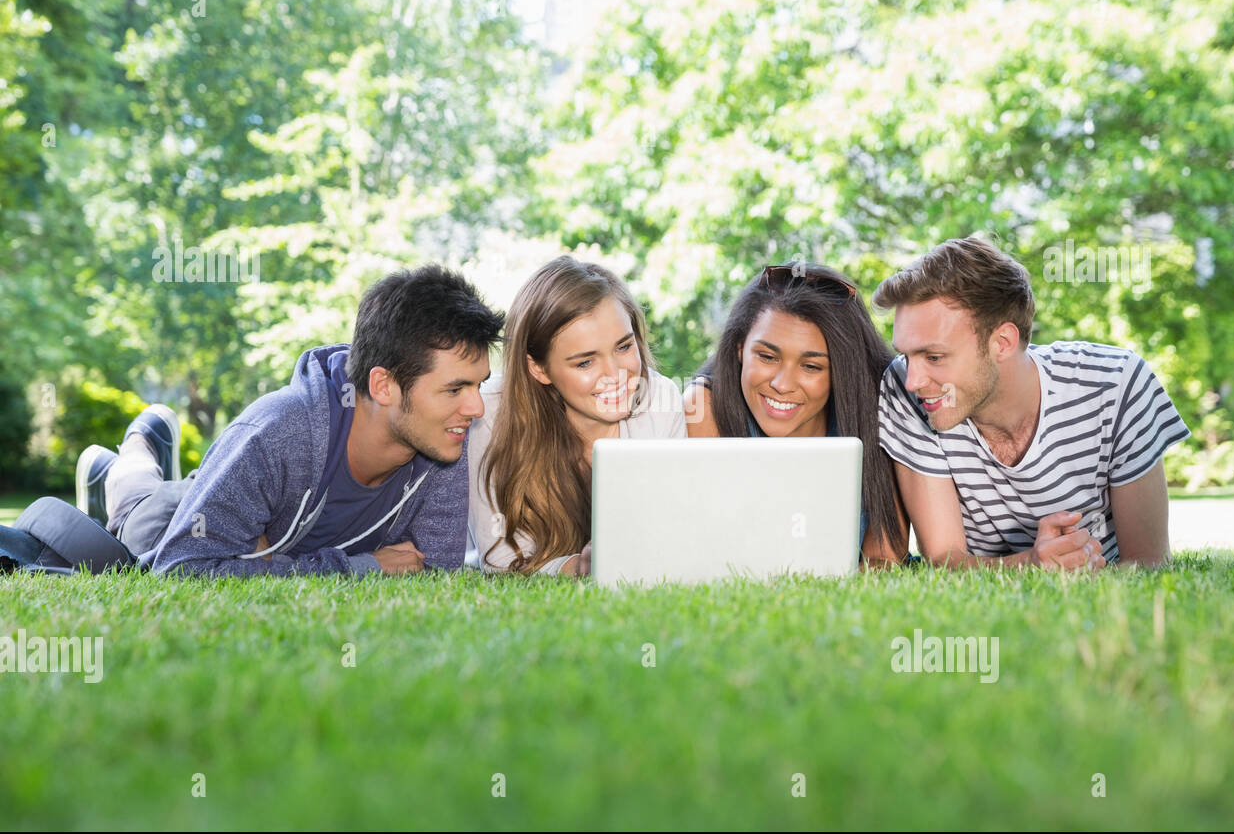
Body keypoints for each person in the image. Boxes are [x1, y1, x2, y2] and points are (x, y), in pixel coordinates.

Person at [76, 264, 504, 576]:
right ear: (384, 386)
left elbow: (432, 572)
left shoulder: (444, 439)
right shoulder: (276, 433)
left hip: (237, 514)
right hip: (176, 515)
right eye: (454, 389)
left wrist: (270, 563)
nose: (476, 408)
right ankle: (129, 458)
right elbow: (181, 569)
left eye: (477, 385)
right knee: (138, 508)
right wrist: (361, 567)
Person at [871, 236, 1190, 570]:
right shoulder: (904, 389)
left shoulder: (1115, 383)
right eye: (907, 355)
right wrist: (1032, 563)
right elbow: (945, 559)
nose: (914, 380)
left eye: (934, 356)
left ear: (1003, 342)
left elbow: (1147, 565)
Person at [468, 255, 685, 575]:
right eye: (586, 362)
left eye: (624, 347)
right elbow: (500, 560)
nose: (615, 375)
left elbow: (673, 536)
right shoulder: (488, 414)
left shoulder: (660, 399)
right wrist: (578, 567)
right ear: (538, 368)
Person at [681, 262, 909, 565]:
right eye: (767, 356)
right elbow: (710, 553)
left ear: (841, 371)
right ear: (739, 348)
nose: (782, 385)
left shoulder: (876, 408)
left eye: (811, 366)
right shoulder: (705, 406)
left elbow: (884, 560)